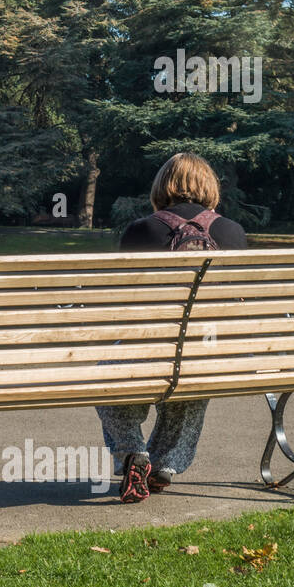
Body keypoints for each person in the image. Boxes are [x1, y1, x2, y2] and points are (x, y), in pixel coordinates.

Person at [101, 151, 248, 503]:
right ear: (209, 187)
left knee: (106, 374)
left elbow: (121, 305)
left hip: (147, 351)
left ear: (162, 186)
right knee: (195, 369)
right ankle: (166, 464)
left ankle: (132, 453)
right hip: (209, 353)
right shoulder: (233, 231)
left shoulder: (140, 230)